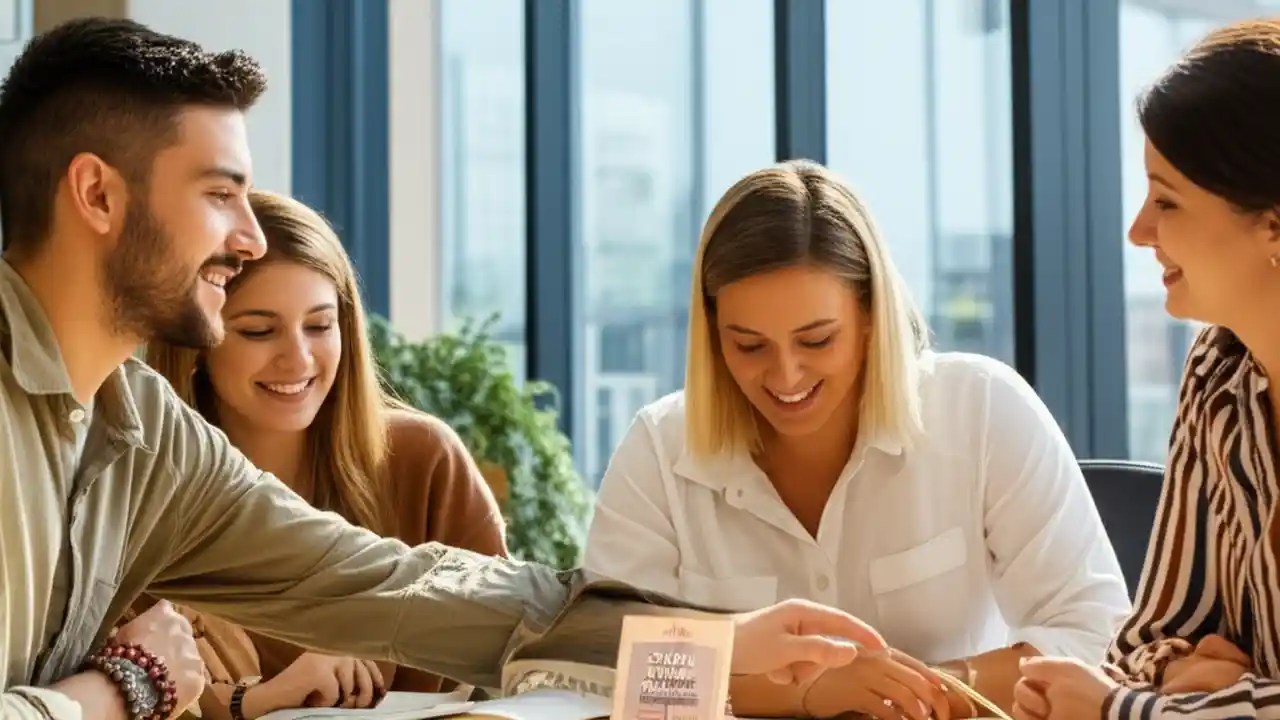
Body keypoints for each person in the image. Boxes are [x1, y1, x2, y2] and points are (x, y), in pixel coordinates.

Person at [0, 17, 884, 720]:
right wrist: (114, 694)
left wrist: (709, 636)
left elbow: (395, 584)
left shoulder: (147, 434)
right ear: (98, 194)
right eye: (219, 193)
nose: (251, 235)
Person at [582, 159, 1131, 719]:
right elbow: (604, 666)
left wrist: (921, 689)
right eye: (749, 346)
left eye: (816, 340)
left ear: (870, 315)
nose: (786, 376)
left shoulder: (982, 408)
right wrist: (809, 693)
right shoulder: (659, 449)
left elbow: (1097, 637)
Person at [134, 188, 509, 717]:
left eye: (319, 325)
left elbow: (515, 657)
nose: (299, 357)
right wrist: (259, 700)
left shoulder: (424, 460)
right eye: (259, 331)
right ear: (196, 342)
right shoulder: (139, 496)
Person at [1011, 17, 1280, 720]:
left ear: (1274, 225)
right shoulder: (1219, 374)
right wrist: (1188, 685)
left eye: (1167, 200)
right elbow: (1148, 640)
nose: (1138, 230)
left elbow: (1126, 694)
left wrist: (1134, 712)